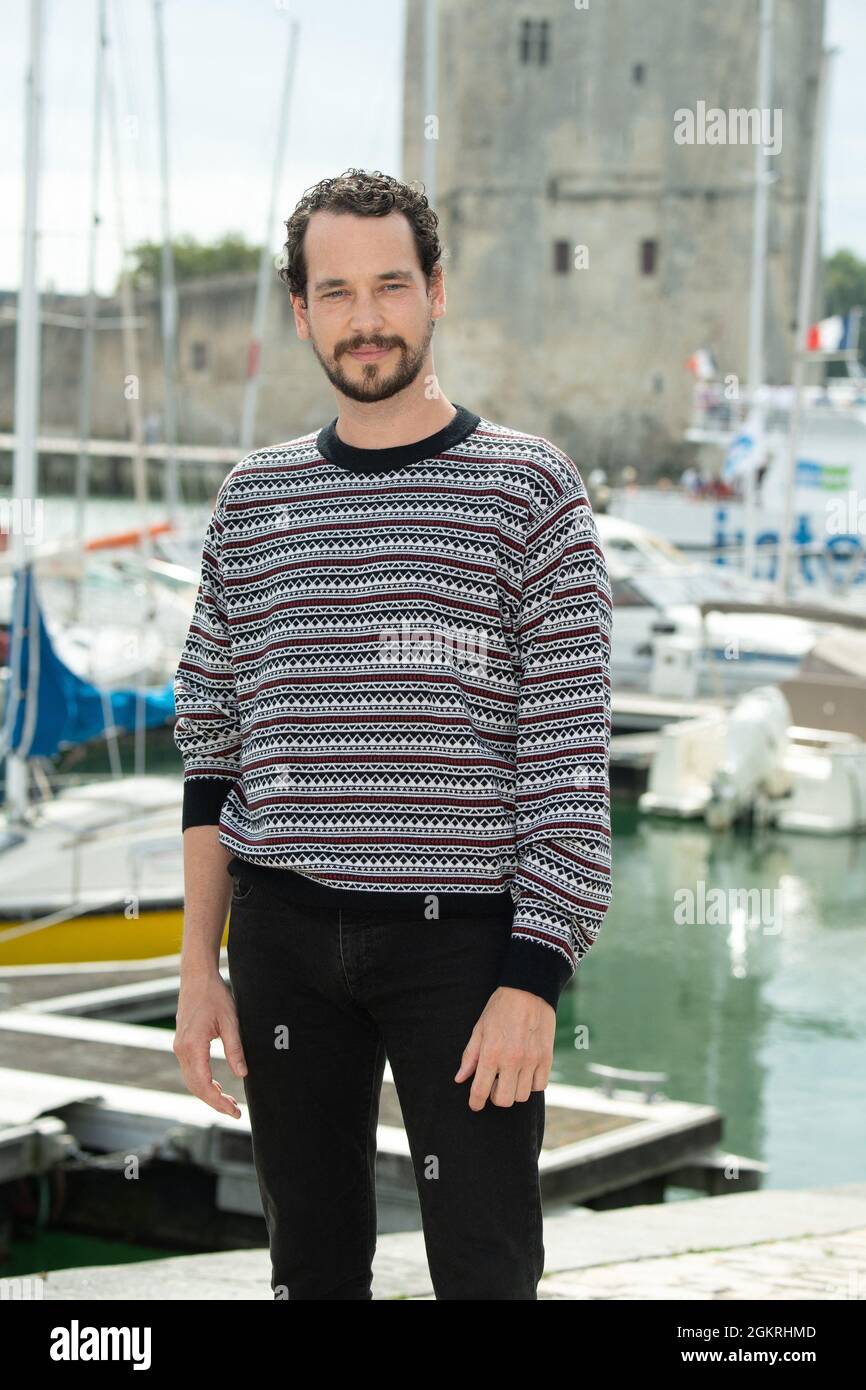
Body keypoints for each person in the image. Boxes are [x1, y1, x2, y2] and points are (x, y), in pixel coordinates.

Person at [171, 168, 613, 1300]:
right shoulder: (251, 499)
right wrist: (196, 968)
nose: (366, 318)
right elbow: (211, 747)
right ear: (300, 309)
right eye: (337, 291)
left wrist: (533, 977)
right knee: (308, 1268)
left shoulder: (530, 489)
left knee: (485, 1267)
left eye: (390, 285)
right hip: (278, 938)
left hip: (462, 954)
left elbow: (564, 761)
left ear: (435, 293)